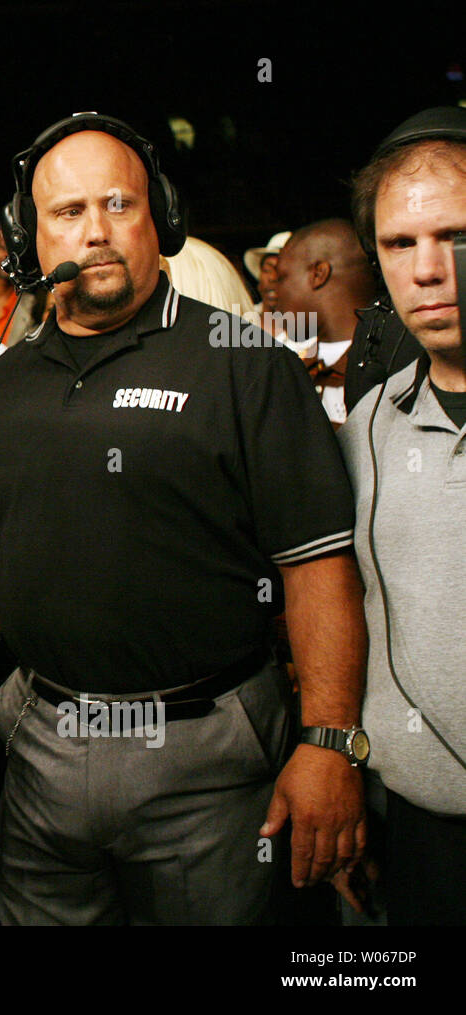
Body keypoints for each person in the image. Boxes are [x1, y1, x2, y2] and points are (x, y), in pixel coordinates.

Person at [0, 113, 367, 925]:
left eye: (119, 204)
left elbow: (318, 567)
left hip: (207, 756)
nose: (96, 231)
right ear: (31, 234)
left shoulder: (246, 366)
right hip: (41, 744)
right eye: (68, 212)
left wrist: (330, 742)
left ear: (159, 217)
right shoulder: (3, 385)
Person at [337, 106, 466, 925]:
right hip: (421, 838)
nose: (427, 270)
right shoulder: (367, 427)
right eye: (397, 244)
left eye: (455, 236)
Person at [273, 220, 377, 427]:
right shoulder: (291, 370)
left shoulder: (393, 369)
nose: (275, 294)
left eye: (281, 277)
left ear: (318, 274)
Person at [244, 230, 291, 319]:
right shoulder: (242, 321)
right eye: (267, 270)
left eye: (281, 271)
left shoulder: (310, 329)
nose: (273, 278)